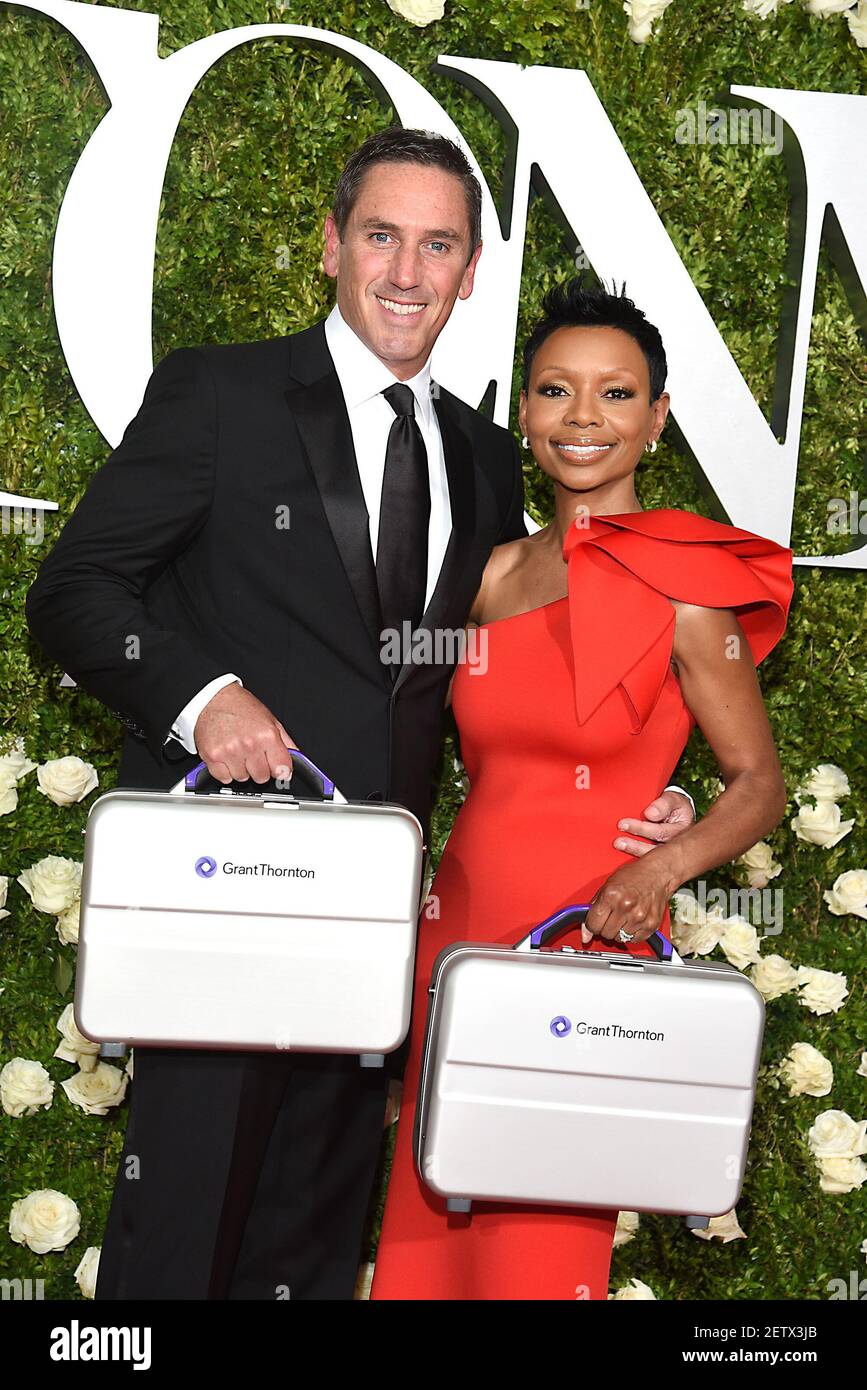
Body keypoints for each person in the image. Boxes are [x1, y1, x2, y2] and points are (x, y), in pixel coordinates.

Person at [24, 132, 694, 1301]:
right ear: (332, 247)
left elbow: (499, 682)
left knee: (312, 1255)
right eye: (382, 235)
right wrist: (203, 697)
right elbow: (74, 589)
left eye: (438, 245)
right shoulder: (220, 392)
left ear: (470, 271)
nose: (406, 269)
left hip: (375, 947)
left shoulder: (489, 459)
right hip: (224, 912)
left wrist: (653, 789)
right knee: (180, 1252)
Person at [369, 279, 794, 1301]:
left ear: (657, 417)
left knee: (536, 1256)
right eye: (558, 391)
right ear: (525, 410)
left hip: (582, 941)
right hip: (455, 936)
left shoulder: (692, 585)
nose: (584, 418)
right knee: (424, 1242)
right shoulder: (489, 573)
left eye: (616, 394)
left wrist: (665, 863)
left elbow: (759, 782)